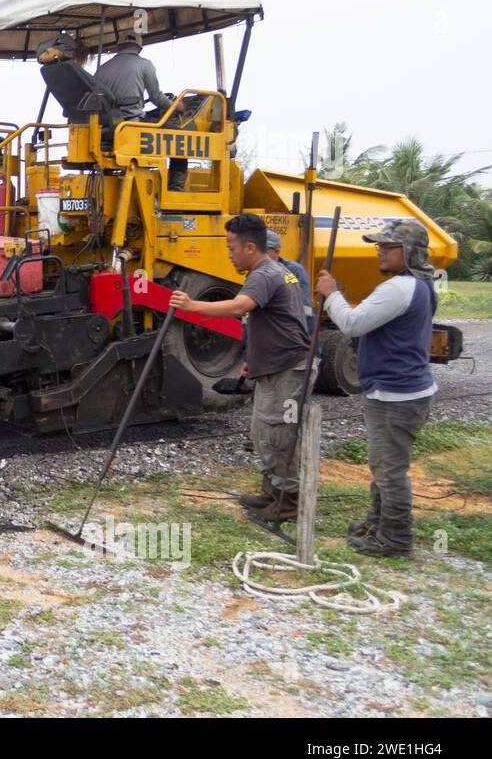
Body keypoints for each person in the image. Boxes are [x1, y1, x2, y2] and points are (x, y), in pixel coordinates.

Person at [170, 213, 311, 524]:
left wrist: (192, 306)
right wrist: (255, 359)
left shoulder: (263, 274)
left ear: (249, 247)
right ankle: (272, 494)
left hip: (289, 369)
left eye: (231, 248)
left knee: (280, 436)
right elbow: (274, 321)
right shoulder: (276, 271)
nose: (229, 255)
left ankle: (287, 505)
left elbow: (239, 307)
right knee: (263, 434)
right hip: (274, 366)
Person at [315, 220, 438, 558]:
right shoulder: (422, 284)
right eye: (380, 244)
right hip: (403, 390)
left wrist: (331, 294)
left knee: (389, 469)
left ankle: (396, 538)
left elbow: (352, 323)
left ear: (409, 252)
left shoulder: (399, 288)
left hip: (397, 393)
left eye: (389, 246)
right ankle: (377, 523)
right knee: (383, 464)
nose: (380, 250)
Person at [91, 30, 173, 119]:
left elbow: (94, 97)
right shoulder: (146, 64)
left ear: (118, 47)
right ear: (140, 49)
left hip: (109, 122)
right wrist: (177, 106)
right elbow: (156, 97)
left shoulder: (102, 69)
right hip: (132, 121)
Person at [266, 229, 315, 333]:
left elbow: (303, 308)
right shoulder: (256, 273)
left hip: (296, 337)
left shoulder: (292, 271)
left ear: (276, 252)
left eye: (264, 252)